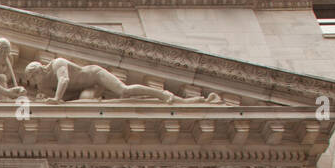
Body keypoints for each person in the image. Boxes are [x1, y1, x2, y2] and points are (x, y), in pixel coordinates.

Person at [23, 57, 221, 104]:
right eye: (32, 81)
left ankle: (164, 95)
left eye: (34, 77)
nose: (34, 82)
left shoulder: (57, 63)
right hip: (84, 91)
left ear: (39, 69)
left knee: (123, 91)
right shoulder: (42, 84)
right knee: (86, 103)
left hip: (95, 76)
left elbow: (64, 81)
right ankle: (148, 103)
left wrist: (56, 99)